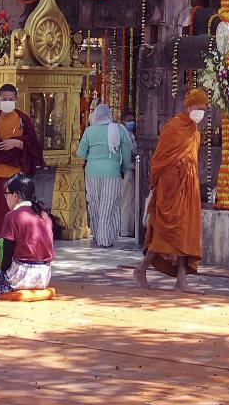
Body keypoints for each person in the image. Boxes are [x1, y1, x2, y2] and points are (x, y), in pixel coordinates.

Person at [136, 83, 206, 292]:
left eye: (204, 109)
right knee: (165, 232)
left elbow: (192, 158)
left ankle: (181, 280)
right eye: (198, 108)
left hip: (189, 187)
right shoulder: (173, 127)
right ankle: (142, 269)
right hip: (171, 186)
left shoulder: (194, 131)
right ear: (188, 108)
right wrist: (171, 176)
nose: (201, 113)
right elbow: (160, 159)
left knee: (185, 232)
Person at [0, 80, 43, 235]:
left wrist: (17, 143)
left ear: (15, 100)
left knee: (14, 214)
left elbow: (34, 145)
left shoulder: (23, 119)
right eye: (4, 99)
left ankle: (14, 244)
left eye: (10, 99)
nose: (7, 102)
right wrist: (2, 148)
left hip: (14, 175)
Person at [78, 100, 133, 247]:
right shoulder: (118, 129)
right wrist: (124, 167)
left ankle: (97, 236)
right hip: (111, 171)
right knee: (108, 205)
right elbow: (127, 149)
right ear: (109, 115)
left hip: (91, 172)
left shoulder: (89, 131)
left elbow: (81, 153)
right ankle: (104, 239)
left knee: (95, 204)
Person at [1, 176, 55, 291]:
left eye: (7, 195)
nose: (6, 198)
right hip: (44, 278)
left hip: (20, 278)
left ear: (15, 196)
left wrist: (1, 278)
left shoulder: (12, 216)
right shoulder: (45, 215)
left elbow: (7, 256)